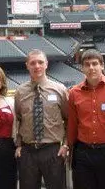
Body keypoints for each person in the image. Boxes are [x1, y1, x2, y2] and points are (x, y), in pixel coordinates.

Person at [14, 49, 68, 189]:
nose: (36, 66)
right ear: (27, 65)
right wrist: (19, 145)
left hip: (52, 151)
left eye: (40, 62)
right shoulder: (20, 92)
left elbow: (69, 119)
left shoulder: (60, 89)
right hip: (28, 152)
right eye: (32, 63)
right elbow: (18, 119)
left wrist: (65, 144)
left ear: (46, 64)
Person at [68, 49, 105, 189]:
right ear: (82, 68)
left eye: (95, 63)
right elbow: (72, 124)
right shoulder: (74, 92)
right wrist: (68, 146)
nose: (91, 68)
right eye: (87, 64)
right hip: (83, 153)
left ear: (102, 65)